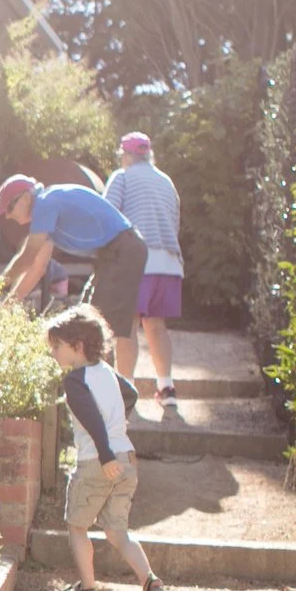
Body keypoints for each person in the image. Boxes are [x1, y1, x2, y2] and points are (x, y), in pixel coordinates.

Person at [43, 305, 169, 591]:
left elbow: (90, 418)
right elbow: (131, 395)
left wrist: (104, 450)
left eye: (56, 347)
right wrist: (116, 436)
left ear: (77, 346)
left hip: (98, 461)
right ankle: (152, 584)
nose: (54, 354)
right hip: (126, 459)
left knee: (77, 527)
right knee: (118, 532)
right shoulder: (109, 374)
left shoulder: (75, 381)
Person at [0, 174, 149, 378]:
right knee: (83, 319)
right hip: (114, 254)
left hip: (123, 250)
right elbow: (37, 268)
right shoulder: (46, 210)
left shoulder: (45, 203)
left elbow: (27, 256)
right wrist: (8, 304)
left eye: (9, 209)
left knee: (97, 327)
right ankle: (99, 389)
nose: (8, 216)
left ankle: (108, 393)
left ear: (23, 199)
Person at [103, 131, 184, 411]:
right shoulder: (166, 181)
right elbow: (175, 220)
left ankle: (125, 390)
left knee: (127, 327)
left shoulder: (122, 178)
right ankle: (166, 386)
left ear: (126, 156)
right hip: (168, 263)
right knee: (157, 326)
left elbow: (108, 216)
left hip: (138, 261)